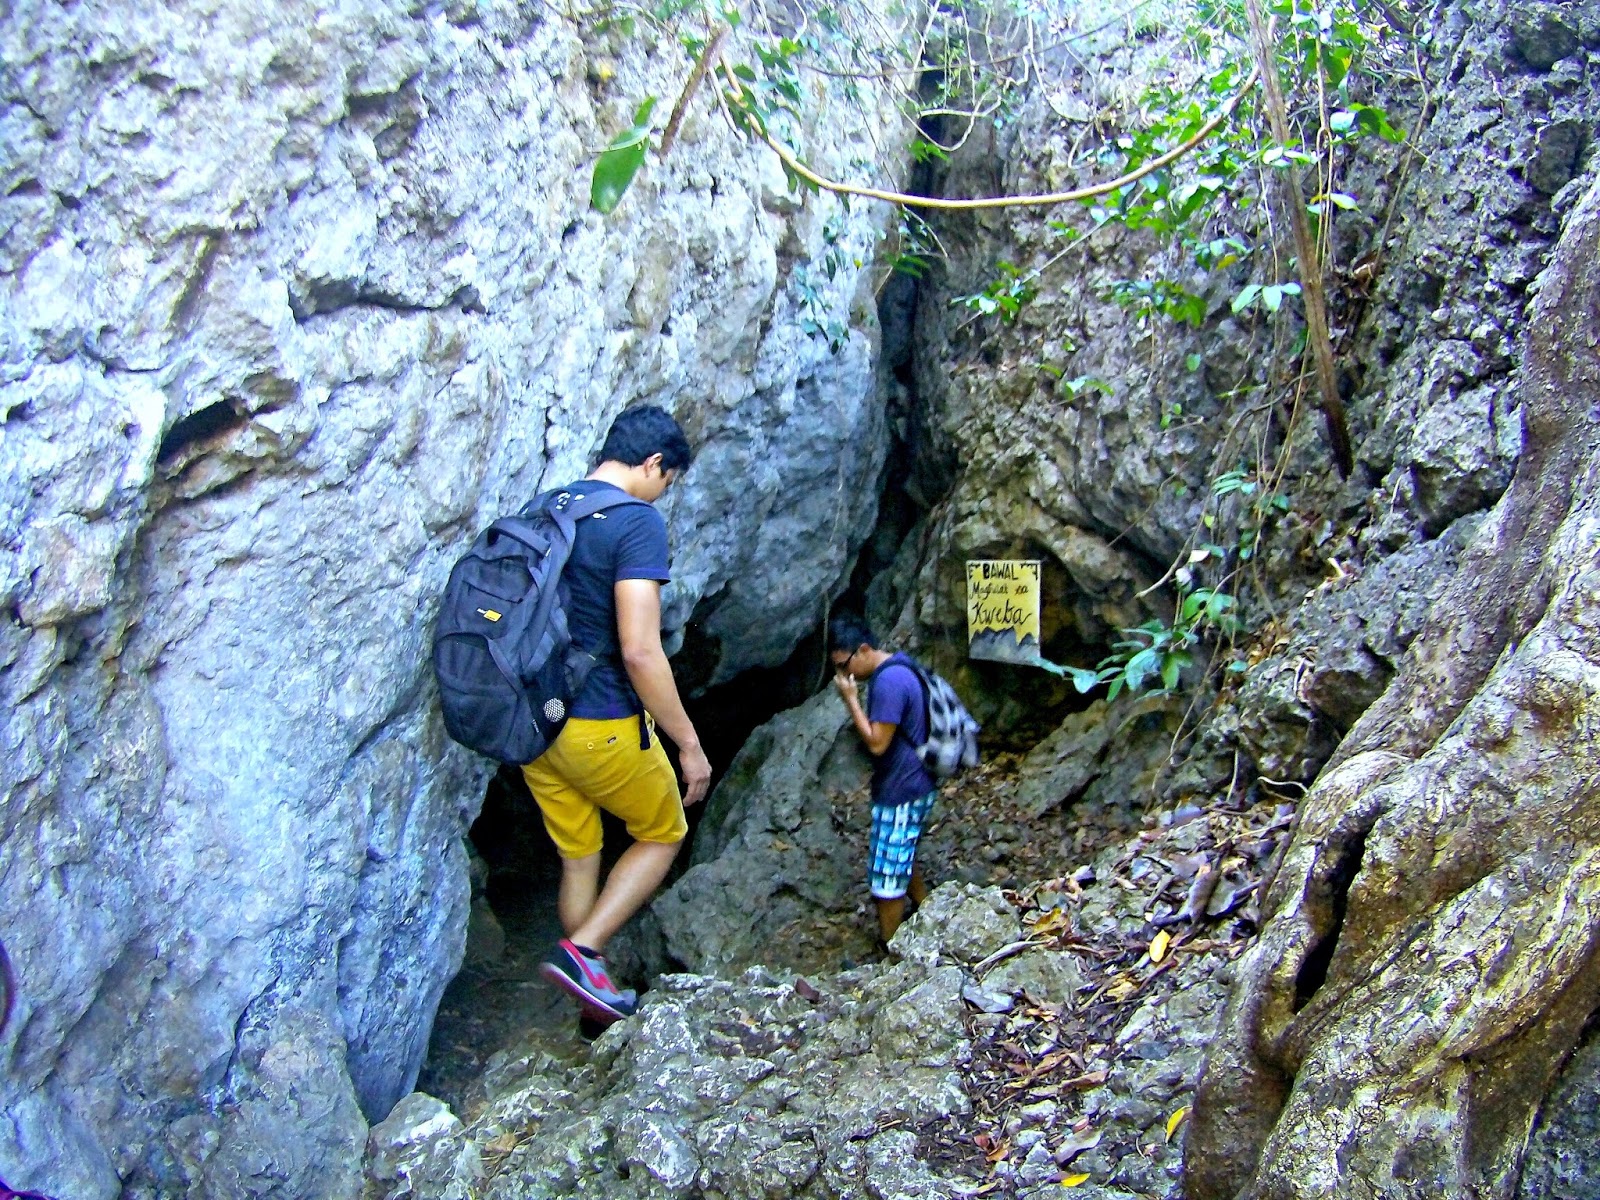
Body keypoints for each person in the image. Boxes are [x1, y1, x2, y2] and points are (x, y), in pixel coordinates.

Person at [529, 406, 711, 1025]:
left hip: (533, 725)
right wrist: (687, 743)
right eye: (669, 481)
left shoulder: (549, 508)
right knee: (662, 833)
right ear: (654, 463)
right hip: (599, 722)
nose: (664, 494)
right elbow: (639, 649)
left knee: (581, 854)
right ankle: (584, 951)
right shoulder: (635, 524)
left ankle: (589, 995)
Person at [828, 613, 934, 945]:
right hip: (917, 782)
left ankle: (893, 952)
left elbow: (877, 743)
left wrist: (851, 702)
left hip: (903, 789)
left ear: (862, 650)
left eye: (844, 665)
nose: (843, 675)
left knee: (887, 879)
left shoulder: (888, 683)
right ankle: (929, 910)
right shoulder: (901, 664)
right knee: (904, 853)